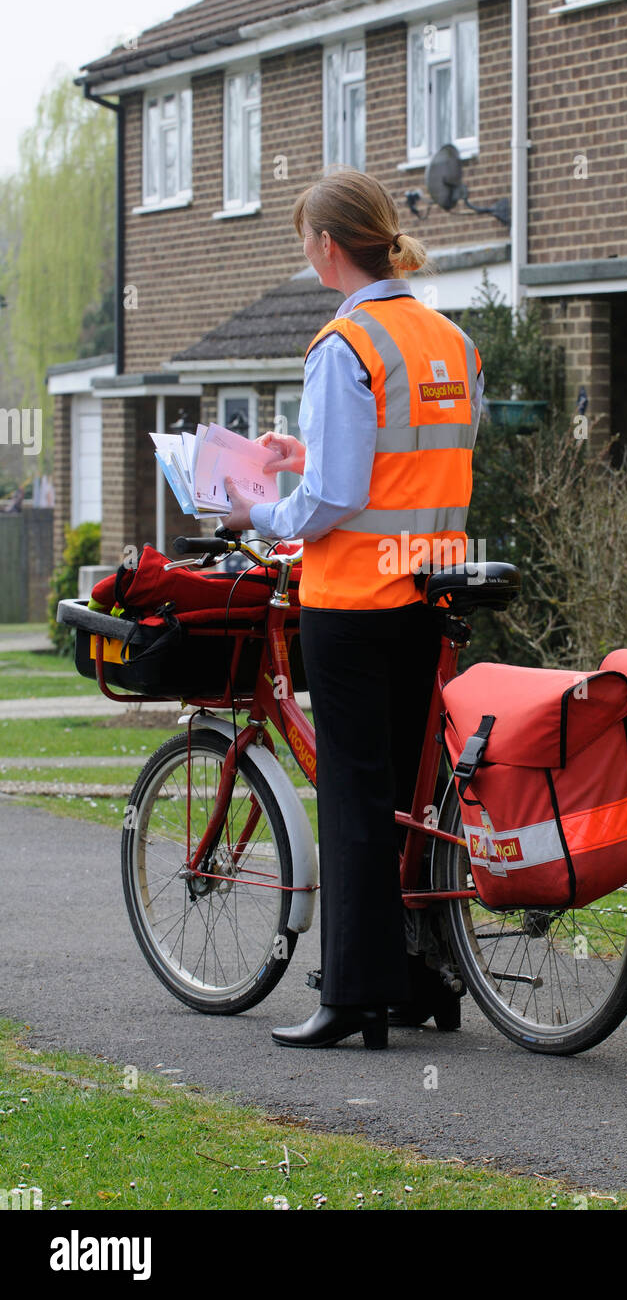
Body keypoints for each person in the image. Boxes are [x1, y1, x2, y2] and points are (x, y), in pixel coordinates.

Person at [223, 167, 483, 1049]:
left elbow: (331, 502)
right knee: (407, 797)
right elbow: (415, 460)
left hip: (351, 600)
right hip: (425, 587)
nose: (306, 252)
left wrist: (255, 511)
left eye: (305, 238)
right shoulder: (446, 339)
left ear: (328, 245)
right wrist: (306, 452)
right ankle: (416, 979)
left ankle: (354, 998)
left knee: (354, 801)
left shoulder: (345, 345)